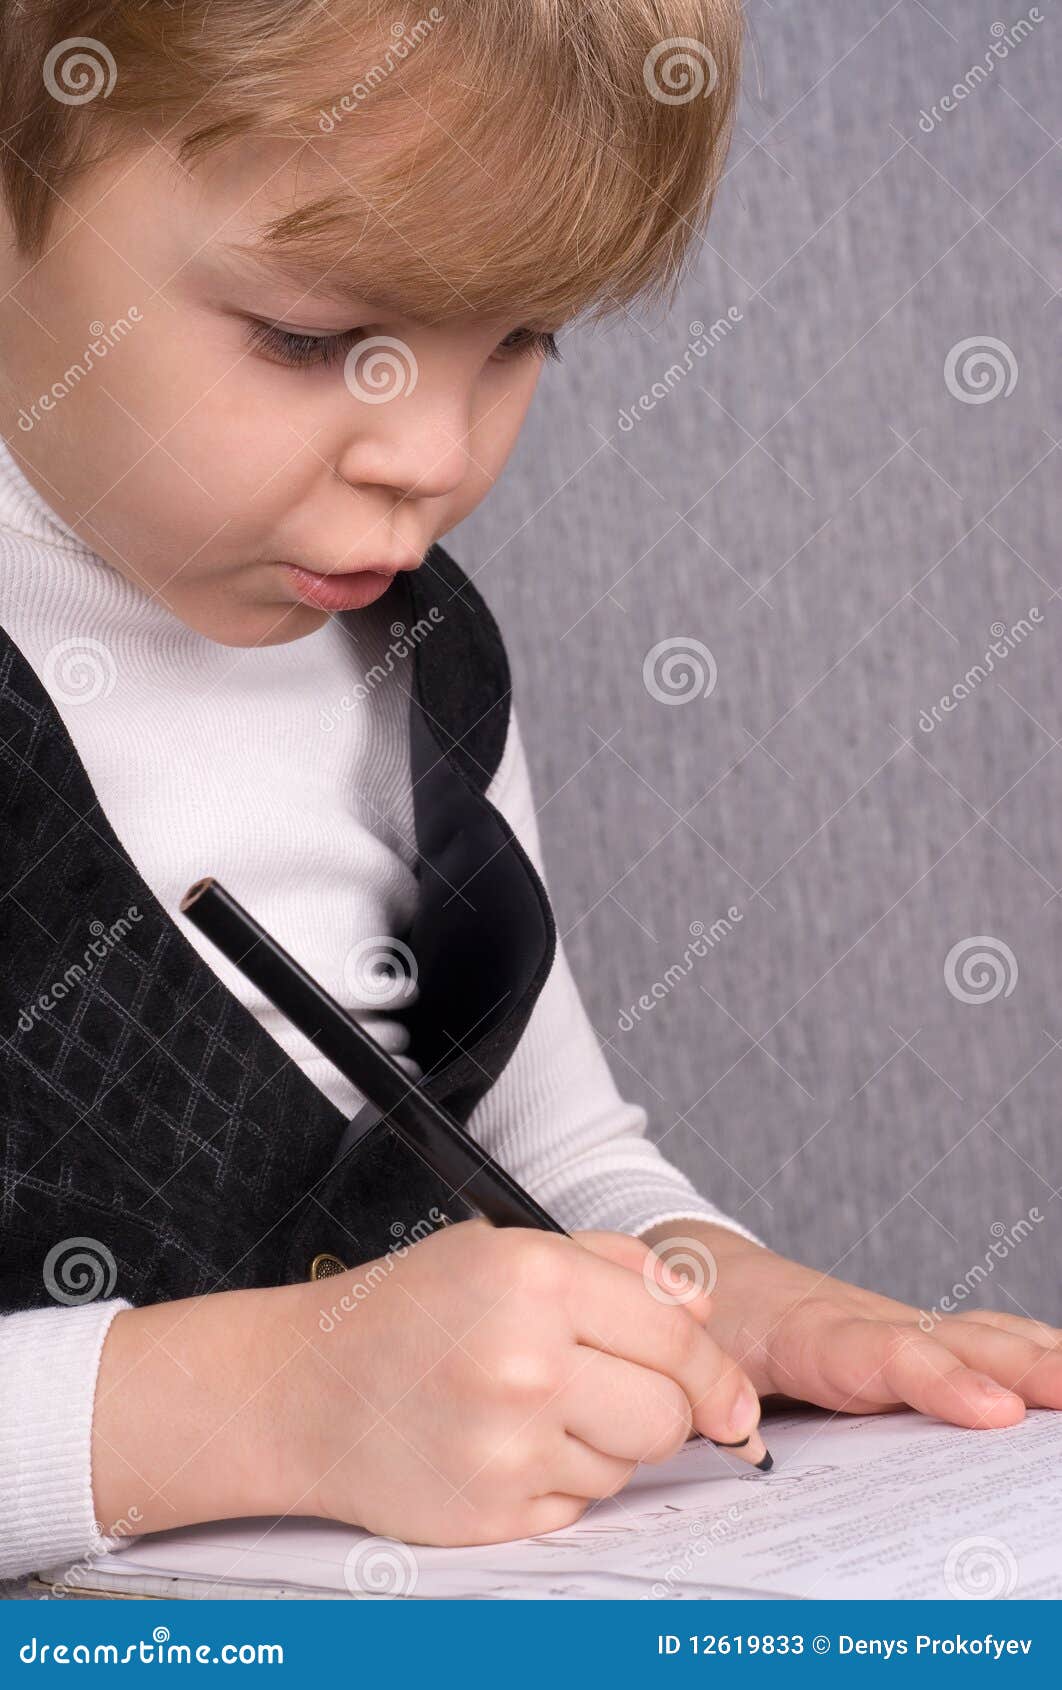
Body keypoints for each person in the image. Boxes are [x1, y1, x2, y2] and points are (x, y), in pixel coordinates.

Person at [1, 0, 1059, 1581]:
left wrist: (715, 1294)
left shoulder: (415, 659)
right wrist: (273, 1399)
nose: (429, 454)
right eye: (304, 336)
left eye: (518, 342)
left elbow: (541, 1155)